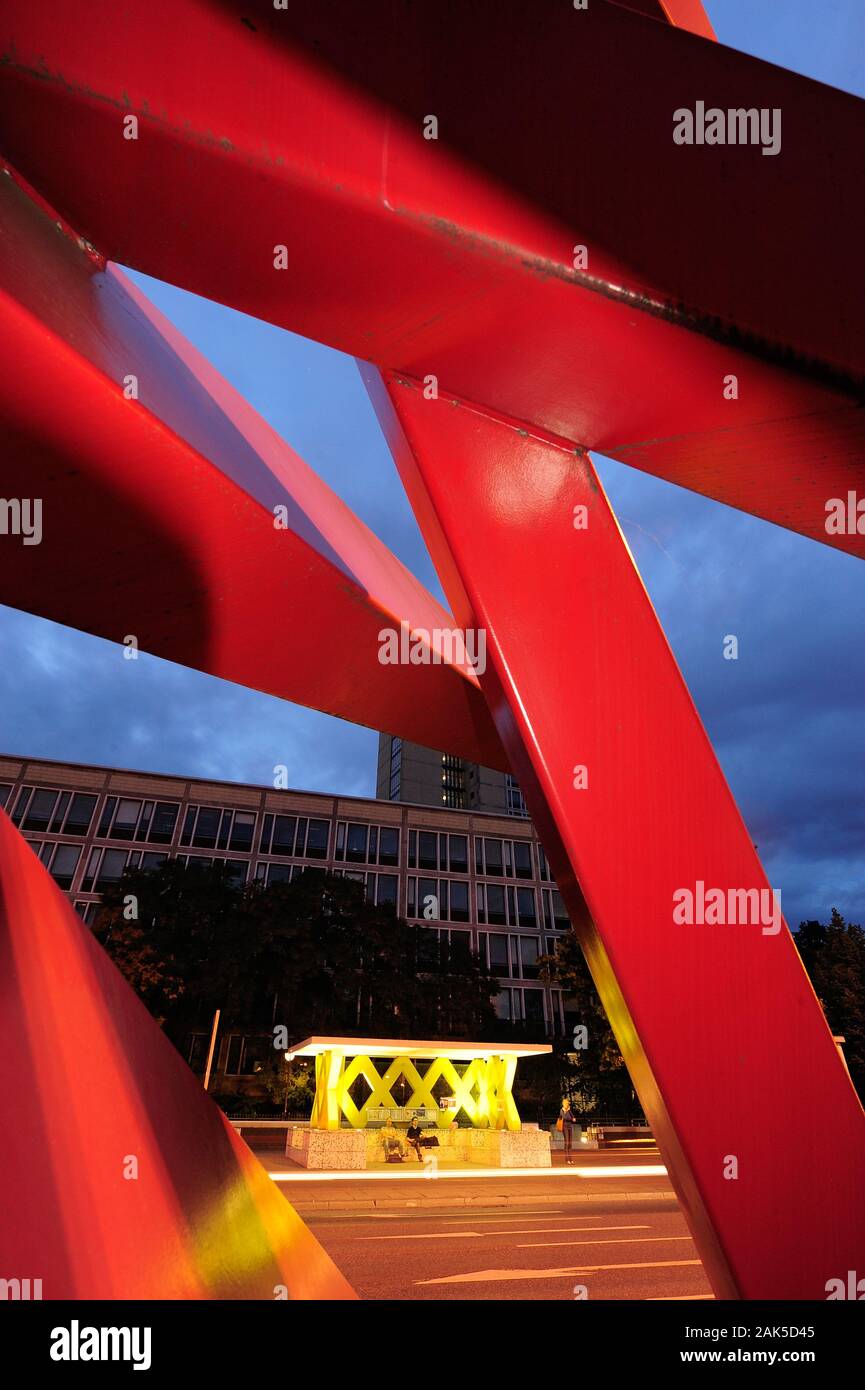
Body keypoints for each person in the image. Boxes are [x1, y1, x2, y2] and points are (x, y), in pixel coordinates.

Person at [558, 1097, 580, 1164]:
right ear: (563, 1104)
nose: (566, 1104)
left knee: (570, 1144)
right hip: (564, 1127)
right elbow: (565, 1117)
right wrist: (571, 1119)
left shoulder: (569, 1110)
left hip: (570, 1127)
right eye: (565, 1103)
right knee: (567, 1143)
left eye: (567, 1103)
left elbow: (573, 1117)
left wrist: (572, 1118)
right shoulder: (561, 1110)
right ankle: (567, 1159)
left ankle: (571, 1159)